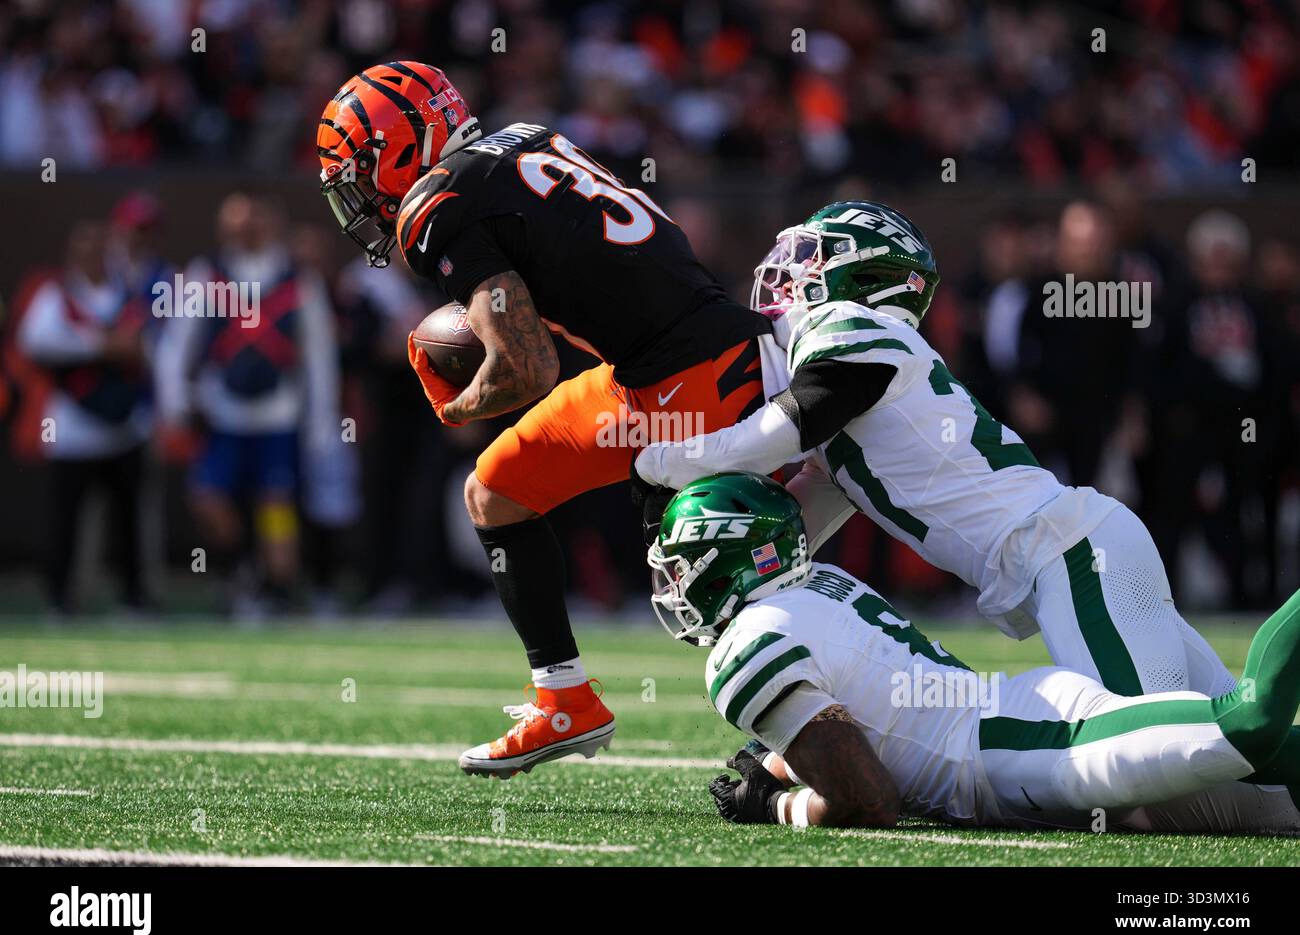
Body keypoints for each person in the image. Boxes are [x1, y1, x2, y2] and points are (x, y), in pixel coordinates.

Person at [634, 199, 1300, 806]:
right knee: (1219, 752)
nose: (791, 272)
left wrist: (658, 457)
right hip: (1076, 552)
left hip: (1069, 556)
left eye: (813, 256)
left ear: (863, 276)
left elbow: (781, 428)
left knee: (1169, 775)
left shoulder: (849, 327)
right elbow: (789, 533)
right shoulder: (860, 408)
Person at [316, 61, 769, 776]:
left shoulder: (438, 203)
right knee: (497, 487)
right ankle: (565, 700)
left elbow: (527, 367)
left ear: (400, 146)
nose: (361, 194)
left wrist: (455, 404)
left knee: (708, 571)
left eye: (361, 171)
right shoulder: (525, 139)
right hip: (651, 367)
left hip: (698, 377)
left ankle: (813, 723)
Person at [650, 473, 1300, 832]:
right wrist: (789, 762)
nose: (674, 586)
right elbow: (873, 718)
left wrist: (778, 805)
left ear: (725, 561)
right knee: (1272, 797)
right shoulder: (819, 582)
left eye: (682, 566)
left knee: (1249, 719)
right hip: (1014, 729)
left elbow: (871, 799)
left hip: (1024, 748)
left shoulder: (745, 645)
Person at [155, 194, 339, 614]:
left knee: (277, 505)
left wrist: (322, 420)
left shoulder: (299, 279)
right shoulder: (207, 275)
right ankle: (242, 572)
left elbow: (319, 356)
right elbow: (177, 345)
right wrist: (176, 403)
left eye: (252, 220)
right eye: (235, 222)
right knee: (209, 499)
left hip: (279, 414)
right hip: (222, 413)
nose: (244, 229)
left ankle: (280, 590)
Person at [16, 220, 152, 612]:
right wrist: (99, 346)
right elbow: (35, 341)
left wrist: (126, 349)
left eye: (98, 248)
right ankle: (59, 597)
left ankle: (134, 597)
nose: (92, 256)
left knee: (128, 520)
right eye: (84, 249)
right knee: (65, 519)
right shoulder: (55, 295)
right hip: (74, 428)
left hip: (125, 427)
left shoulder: (126, 293)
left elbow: (148, 345)